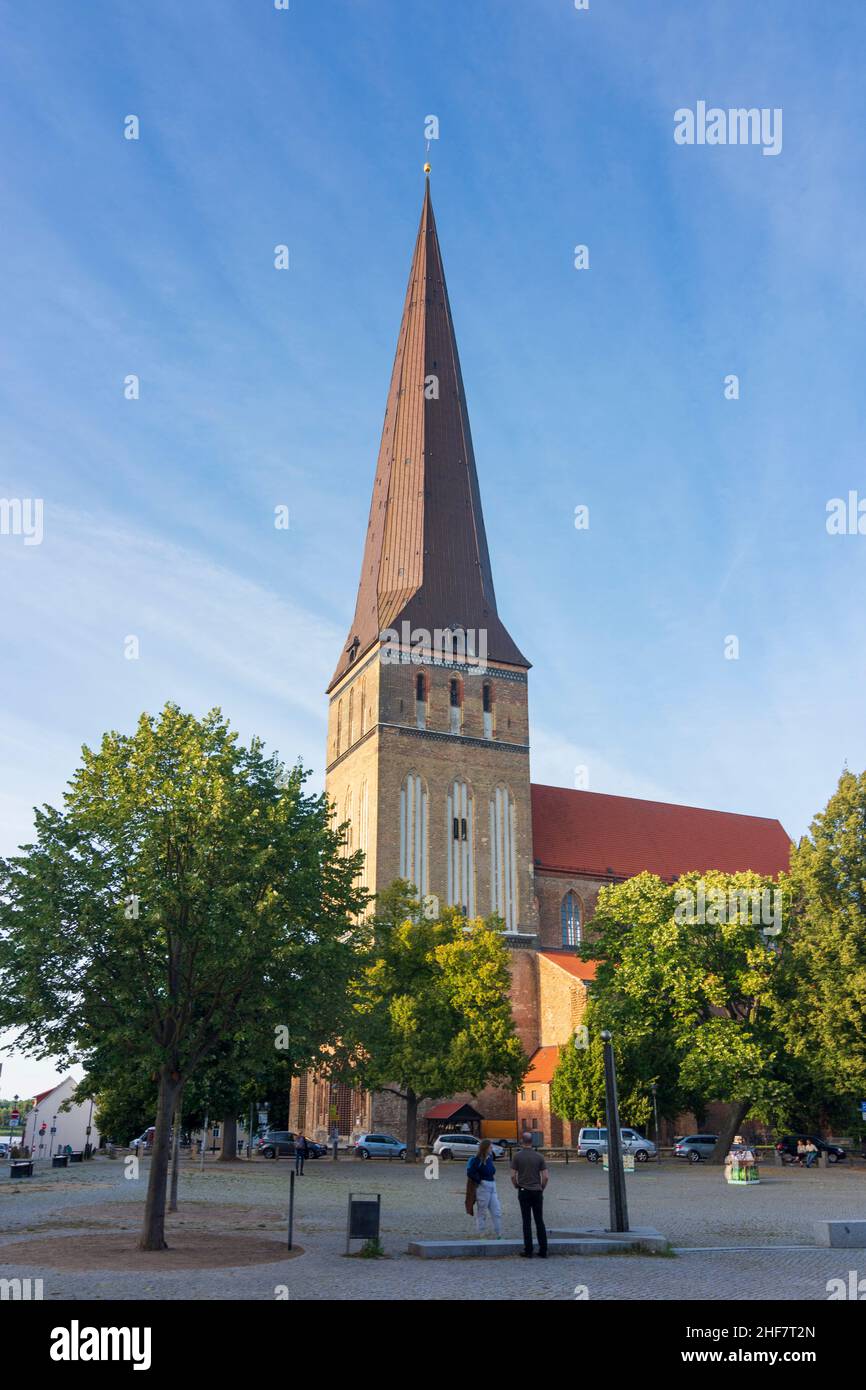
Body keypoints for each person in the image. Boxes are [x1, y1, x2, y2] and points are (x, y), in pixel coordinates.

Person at [510, 1132, 548, 1257]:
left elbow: (512, 1175)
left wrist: (516, 1185)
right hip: (537, 1191)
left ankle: (528, 1250)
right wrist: (541, 1187)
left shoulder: (517, 1157)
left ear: (522, 1142)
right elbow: (546, 1177)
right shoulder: (539, 1157)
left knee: (526, 1221)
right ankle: (543, 1250)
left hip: (523, 1190)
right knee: (539, 1220)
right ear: (532, 1142)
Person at [467, 1139, 502, 1239]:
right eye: (490, 1147)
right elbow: (470, 1172)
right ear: (485, 1148)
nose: (492, 1149)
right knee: (482, 1211)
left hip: (492, 1185)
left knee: (497, 1211)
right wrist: (479, 1181)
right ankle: (482, 1234)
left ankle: (498, 1234)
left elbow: (492, 1171)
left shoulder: (489, 1158)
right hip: (484, 1186)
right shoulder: (476, 1159)